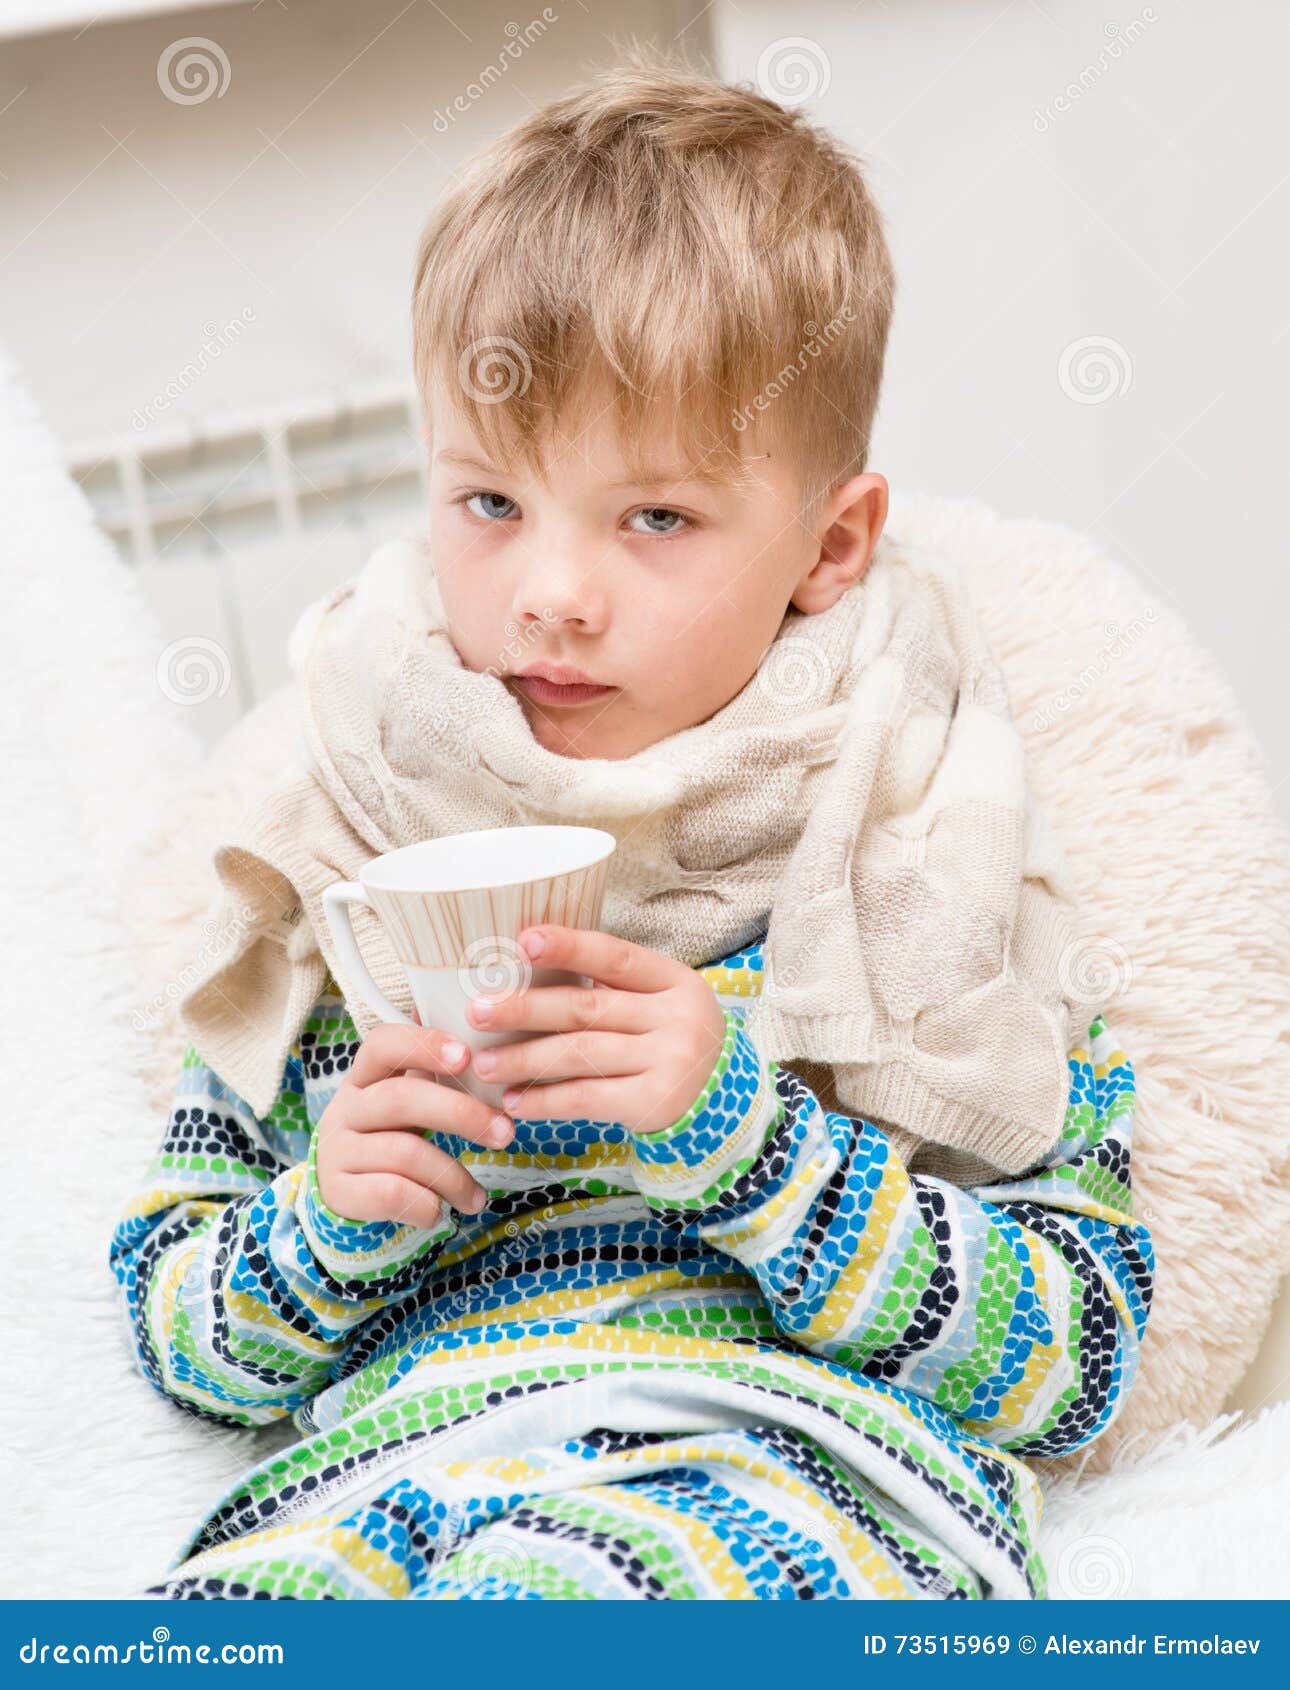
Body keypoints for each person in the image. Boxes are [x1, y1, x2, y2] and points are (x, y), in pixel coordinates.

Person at [110, 52, 1153, 1601]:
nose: (549, 591)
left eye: (653, 517)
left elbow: (1076, 1354)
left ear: (830, 541)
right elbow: (182, 1333)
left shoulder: (918, 838)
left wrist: (754, 1141)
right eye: (488, 504)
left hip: (778, 1470)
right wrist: (321, 1215)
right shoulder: (345, 840)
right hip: (384, 1478)